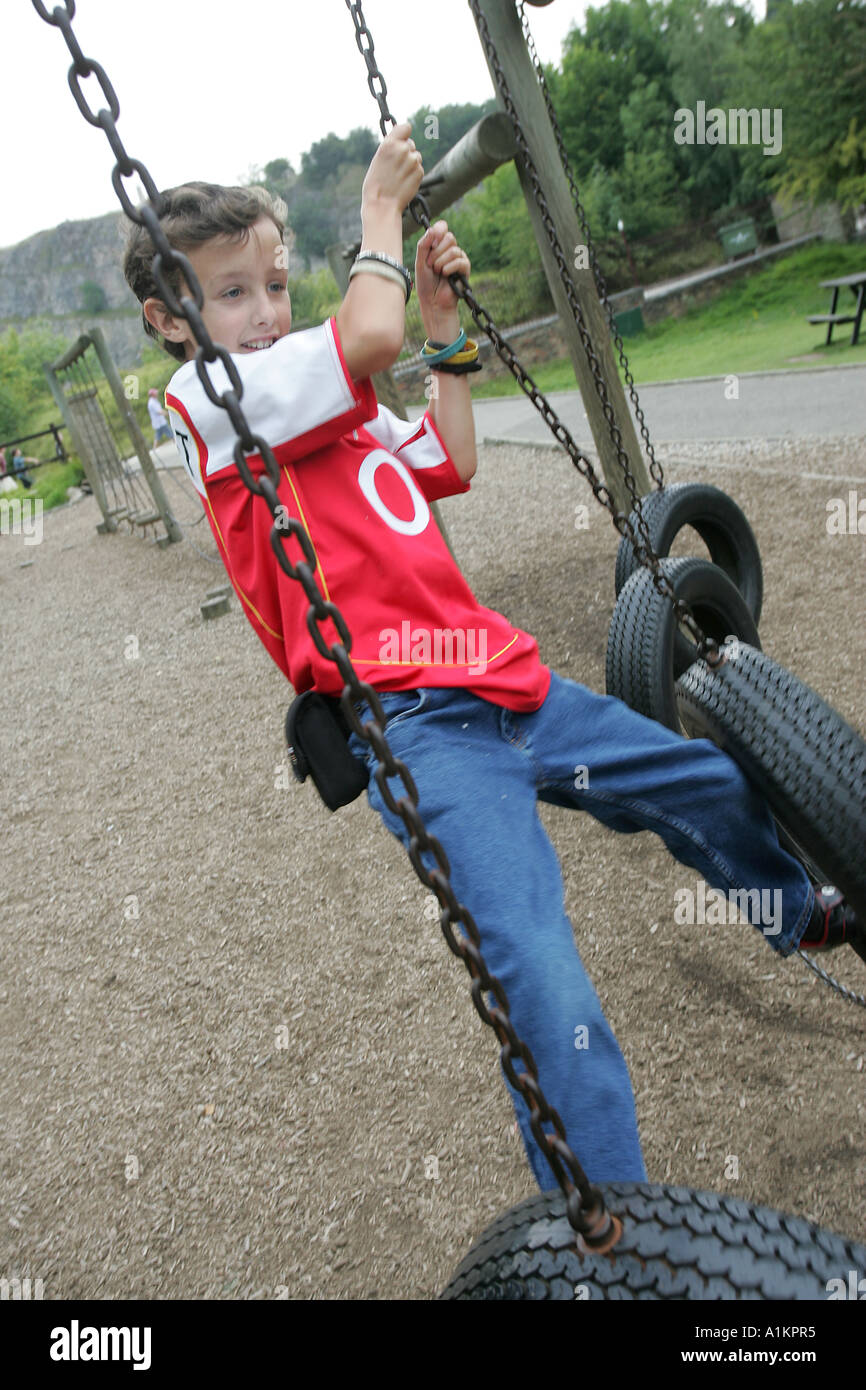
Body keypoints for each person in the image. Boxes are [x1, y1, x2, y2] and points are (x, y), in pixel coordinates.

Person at [122, 125, 862, 1190]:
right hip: (416, 732)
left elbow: (447, 458)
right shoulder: (216, 405)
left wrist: (441, 332)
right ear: (170, 321)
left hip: (505, 677)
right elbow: (359, 336)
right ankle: (610, 1227)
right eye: (233, 293)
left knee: (700, 776)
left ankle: (799, 910)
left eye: (275, 285)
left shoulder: (330, 417)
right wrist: (381, 212)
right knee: (538, 974)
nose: (266, 312)